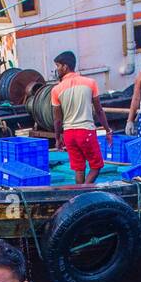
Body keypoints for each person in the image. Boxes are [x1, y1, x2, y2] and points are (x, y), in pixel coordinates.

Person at [51, 50, 110, 185]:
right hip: (86, 131)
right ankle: (84, 191)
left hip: (69, 134)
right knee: (96, 166)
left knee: (79, 168)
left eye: (58, 66)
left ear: (65, 67)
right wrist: (108, 130)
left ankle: (78, 194)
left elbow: (57, 119)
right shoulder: (90, 83)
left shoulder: (56, 90)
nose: (57, 69)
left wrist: (57, 138)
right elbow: (99, 111)